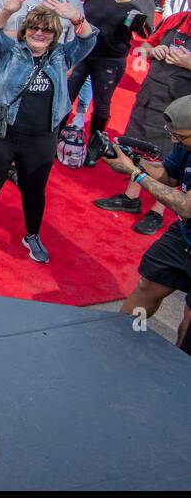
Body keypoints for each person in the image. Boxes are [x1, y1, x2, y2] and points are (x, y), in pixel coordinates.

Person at [0, 0, 95, 262]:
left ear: (55, 34)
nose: (39, 33)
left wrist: (76, 18)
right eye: (34, 27)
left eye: (46, 30)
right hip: (2, 133)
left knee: (34, 188)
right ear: (25, 30)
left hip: (41, 136)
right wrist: (8, 11)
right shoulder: (10, 51)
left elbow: (88, 41)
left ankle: (32, 234)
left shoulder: (62, 55)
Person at [104, 95, 191, 355]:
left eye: (180, 137)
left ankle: (178, 377)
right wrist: (134, 161)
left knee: (188, 324)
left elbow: (186, 205)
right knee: (148, 286)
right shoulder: (185, 144)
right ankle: (118, 341)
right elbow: (170, 175)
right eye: (171, 134)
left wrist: (136, 174)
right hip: (184, 234)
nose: (174, 141)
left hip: (186, 215)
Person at [94, 7, 191, 234]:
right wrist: (155, 50)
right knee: (138, 143)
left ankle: (158, 211)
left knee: (171, 155)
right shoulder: (175, 19)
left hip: (182, 107)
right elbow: (145, 47)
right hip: (151, 94)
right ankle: (131, 197)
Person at [61, 0, 154, 163]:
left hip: (111, 58)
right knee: (66, 96)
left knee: (102, 105)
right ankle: (53, 140)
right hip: (83, 51)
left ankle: (94, 147)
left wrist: (138, 25)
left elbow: (149, 33)